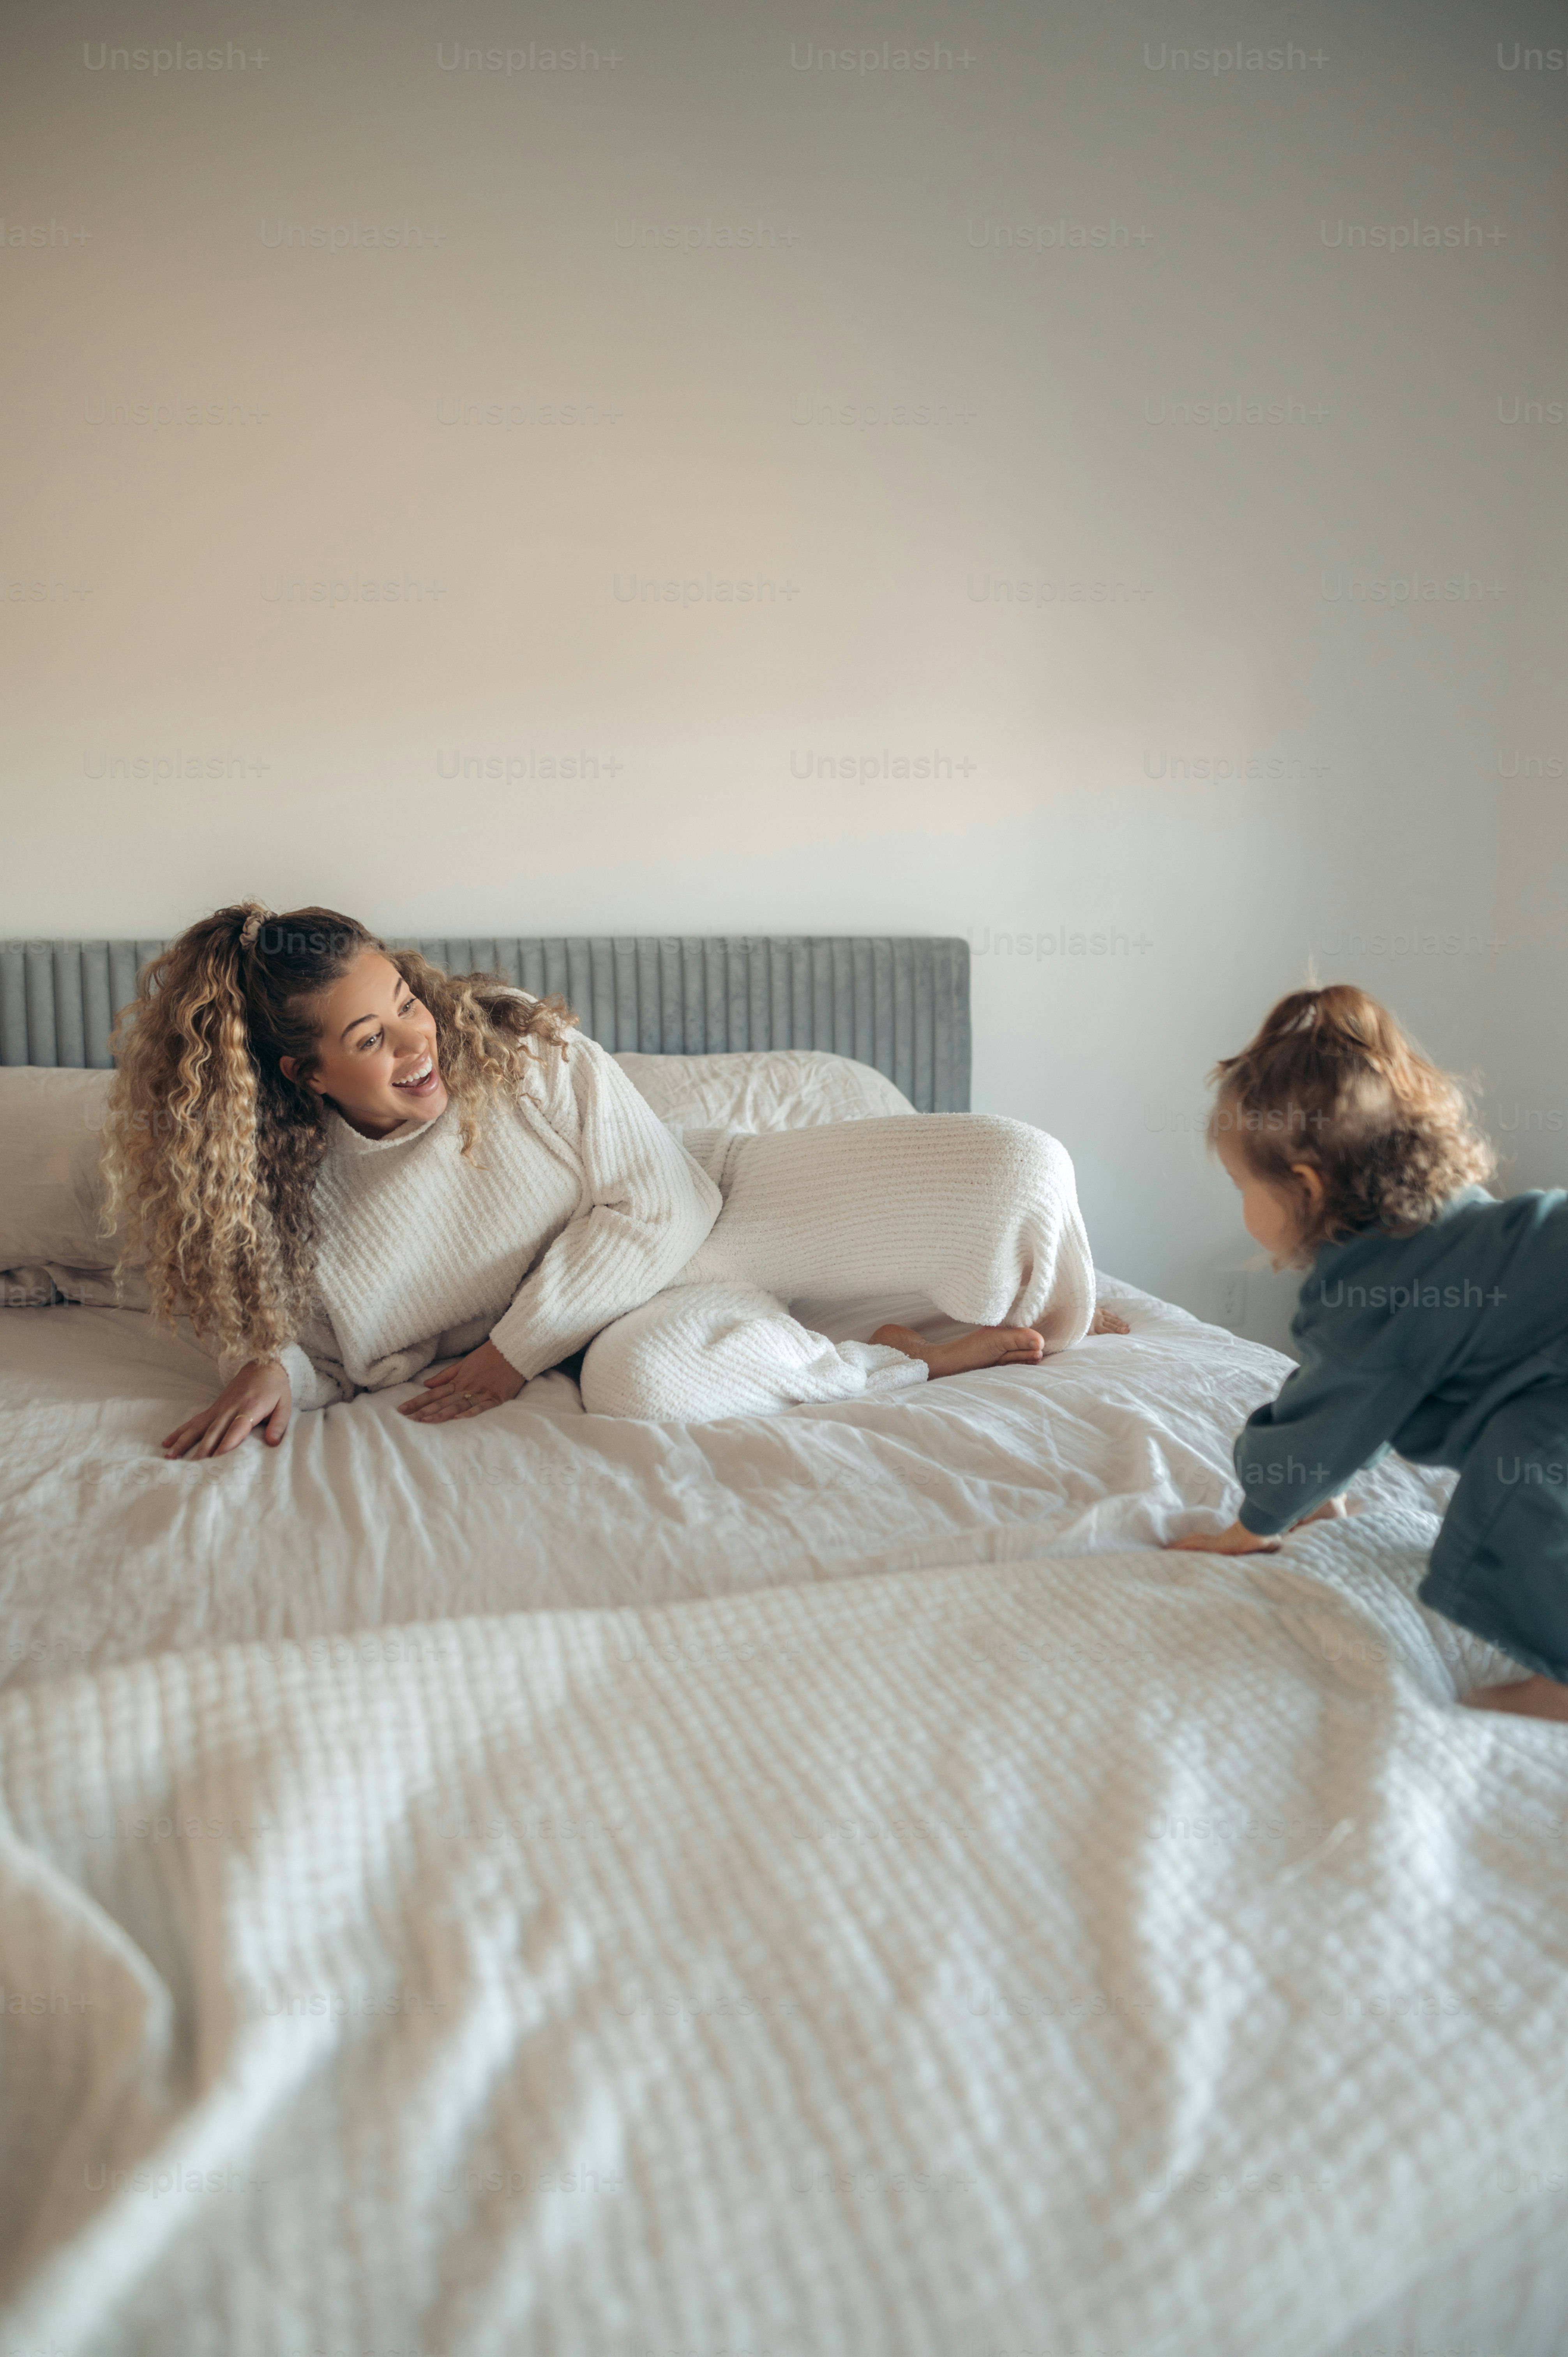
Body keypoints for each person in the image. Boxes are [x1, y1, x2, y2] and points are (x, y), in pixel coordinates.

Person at [101, 903, 1125, 1462]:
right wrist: (277, 1370)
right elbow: (335, 1346)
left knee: (1020, 1166)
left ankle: (1055, 1311)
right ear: (306, 1074)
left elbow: (665, 1199)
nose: (418, 1042)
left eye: (406, 1000)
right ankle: (898, 1359)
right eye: (371, 1038)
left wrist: (512, 1352)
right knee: (644, 1390)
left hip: (723, 1207)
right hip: (616, 1326)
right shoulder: (291, 1198)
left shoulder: (506, 1044)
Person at [1167, 982, 1568, 1723]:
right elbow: (1372, 1394)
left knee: (1525, 1495)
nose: (1241, 1207)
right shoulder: (1445, 1228)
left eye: (1240, 1185)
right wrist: (1325, 1492)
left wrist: (1253, 1524)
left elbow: (1324, 1418)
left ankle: (1559, 1683)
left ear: (1306, 1188)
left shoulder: (1370, 1287)